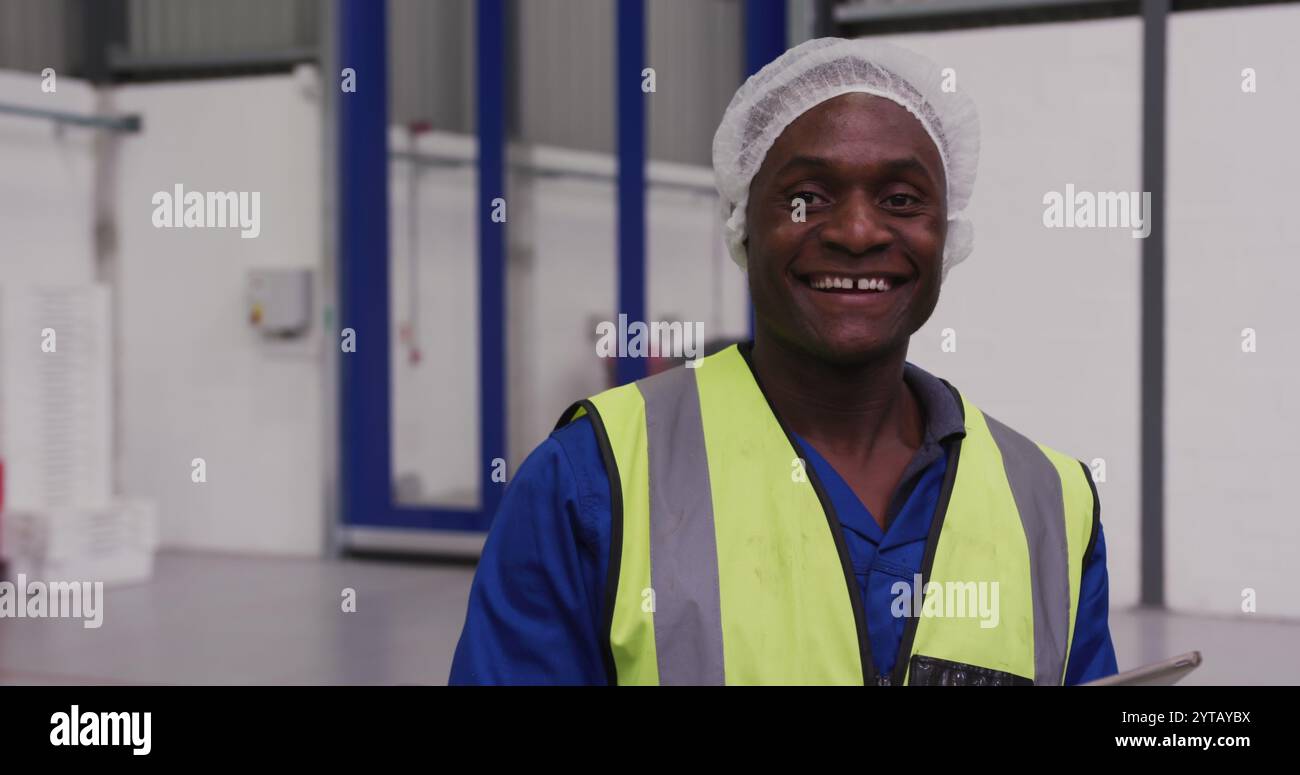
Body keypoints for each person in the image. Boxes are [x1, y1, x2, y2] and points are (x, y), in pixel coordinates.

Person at [450, 38, 1119, 686]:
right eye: (809, 196)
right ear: (744, 224)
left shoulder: (1050, 503)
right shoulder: (593, 480)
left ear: (948, 234)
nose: (858, 232)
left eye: (901, 199)